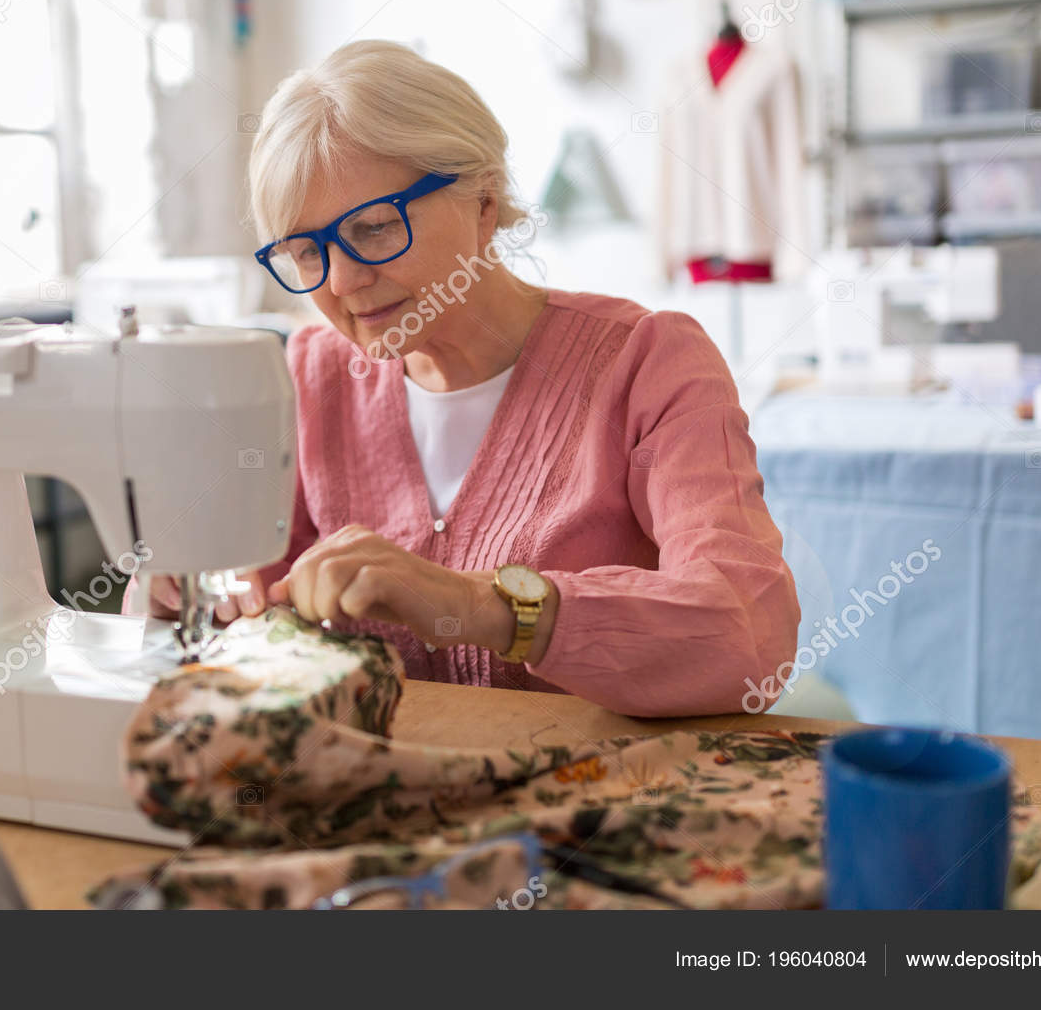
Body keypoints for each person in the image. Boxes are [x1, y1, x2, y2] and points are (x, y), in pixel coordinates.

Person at [129, 39, 799, 717]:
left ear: (483, 198)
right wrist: (174, 597)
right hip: (386, 802)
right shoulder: (312, 376)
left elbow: (748, 632)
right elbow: (244, 608)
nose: (342, 280)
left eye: (374, 226)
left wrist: (481, 605)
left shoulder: (650, 363)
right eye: (306, 251)